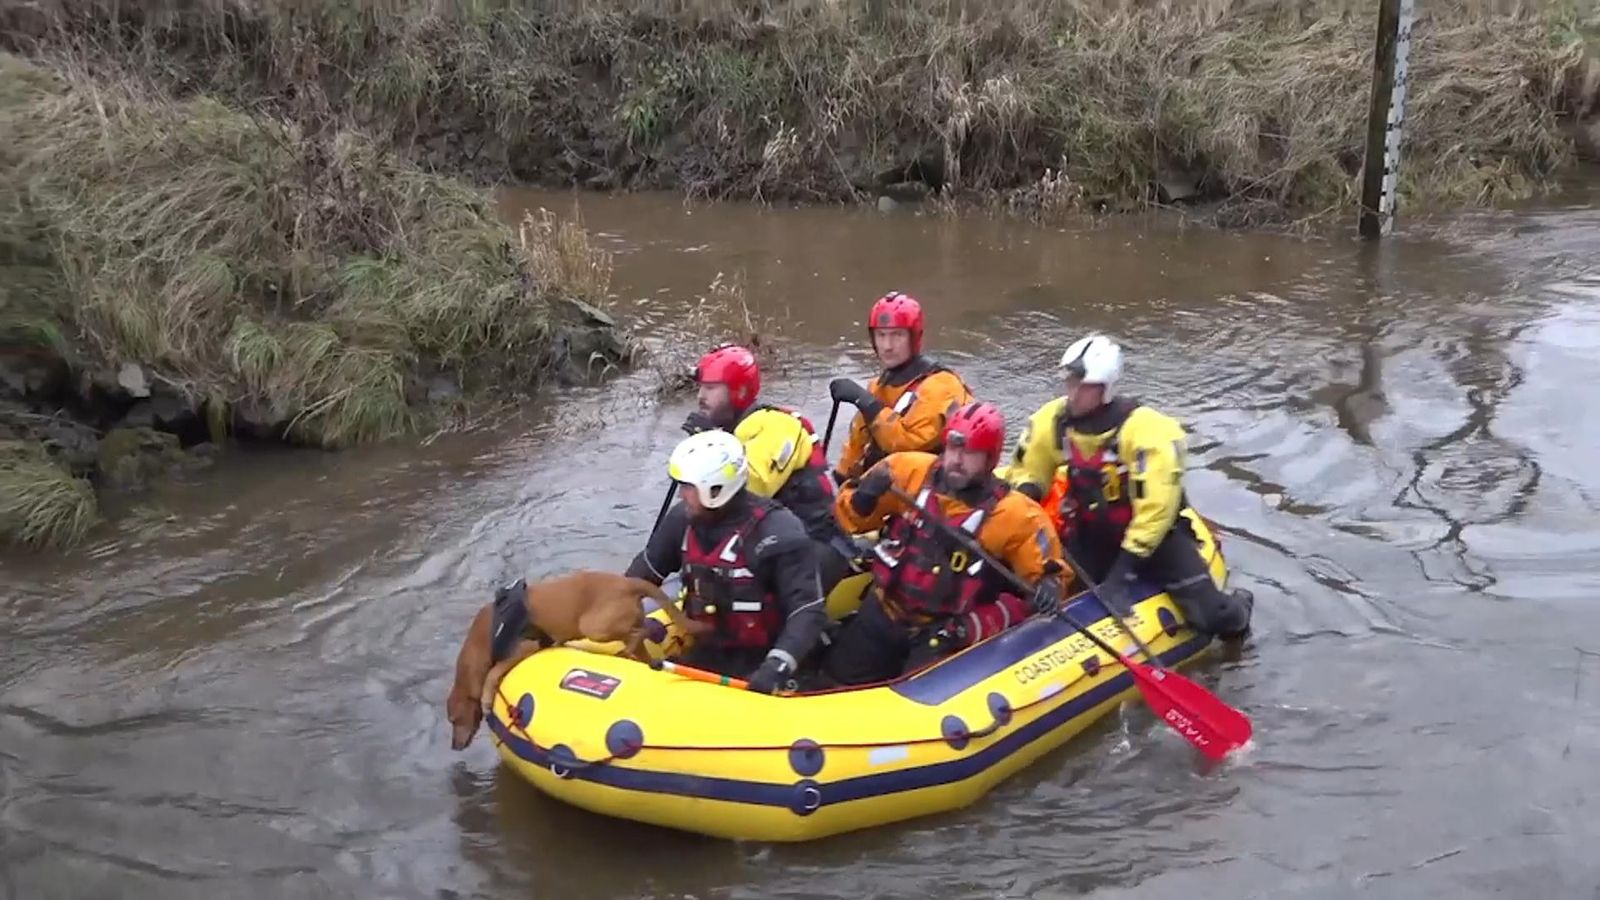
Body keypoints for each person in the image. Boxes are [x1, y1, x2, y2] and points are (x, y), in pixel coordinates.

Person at [1002, 333, 1253, 641]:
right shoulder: (1053, 421)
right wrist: (1022, 508)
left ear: (1104, 388)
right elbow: (1029, 472)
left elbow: (1156, 511)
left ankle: (1240, 608)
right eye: (1070, 382)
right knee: (1028, 591)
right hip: (1087, 535)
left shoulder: (1146, 431)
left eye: (1082, 386)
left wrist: (1122, 576)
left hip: (1156, 543)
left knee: (1212, 617)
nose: (1073, 392)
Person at [824, 402, 1069, 685]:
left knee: (915, 698)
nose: (956, 460)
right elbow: (848, 517)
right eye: (953, 448)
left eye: (969, 453)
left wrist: (1049, 585)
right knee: (833, 679)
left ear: (990, 458)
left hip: (943, 634)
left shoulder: (1016, 514)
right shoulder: (906, 471)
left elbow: (1049, 571)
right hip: (883, 611)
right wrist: (863, 498)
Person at [625, 430, 828, 694]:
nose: (682, 495)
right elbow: (638, 579)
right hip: (707, 653)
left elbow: (807, 610)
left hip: (762, 662)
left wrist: (777, 665)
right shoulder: (681, 521)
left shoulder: (778, 532)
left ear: (715, 488)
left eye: (688, 487)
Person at [681, 343, 856, 594]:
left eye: (711, 388)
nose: (701, 397)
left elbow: (749, 489)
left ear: (738, 391)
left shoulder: (776, 426)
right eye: (701, 387)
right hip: (776, 542)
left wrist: (711, 448)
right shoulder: (732, 433)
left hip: (816, 545)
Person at [830, 292, 975, 485]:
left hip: (931, 487)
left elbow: (908, 442)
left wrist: (865, 403)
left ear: (913, 337)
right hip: (886, 484)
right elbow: (858, 440)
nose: (887, 346)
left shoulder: (941, 385)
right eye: (881, 335)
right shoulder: (878, 386)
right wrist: (842, 478)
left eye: (897, 335)